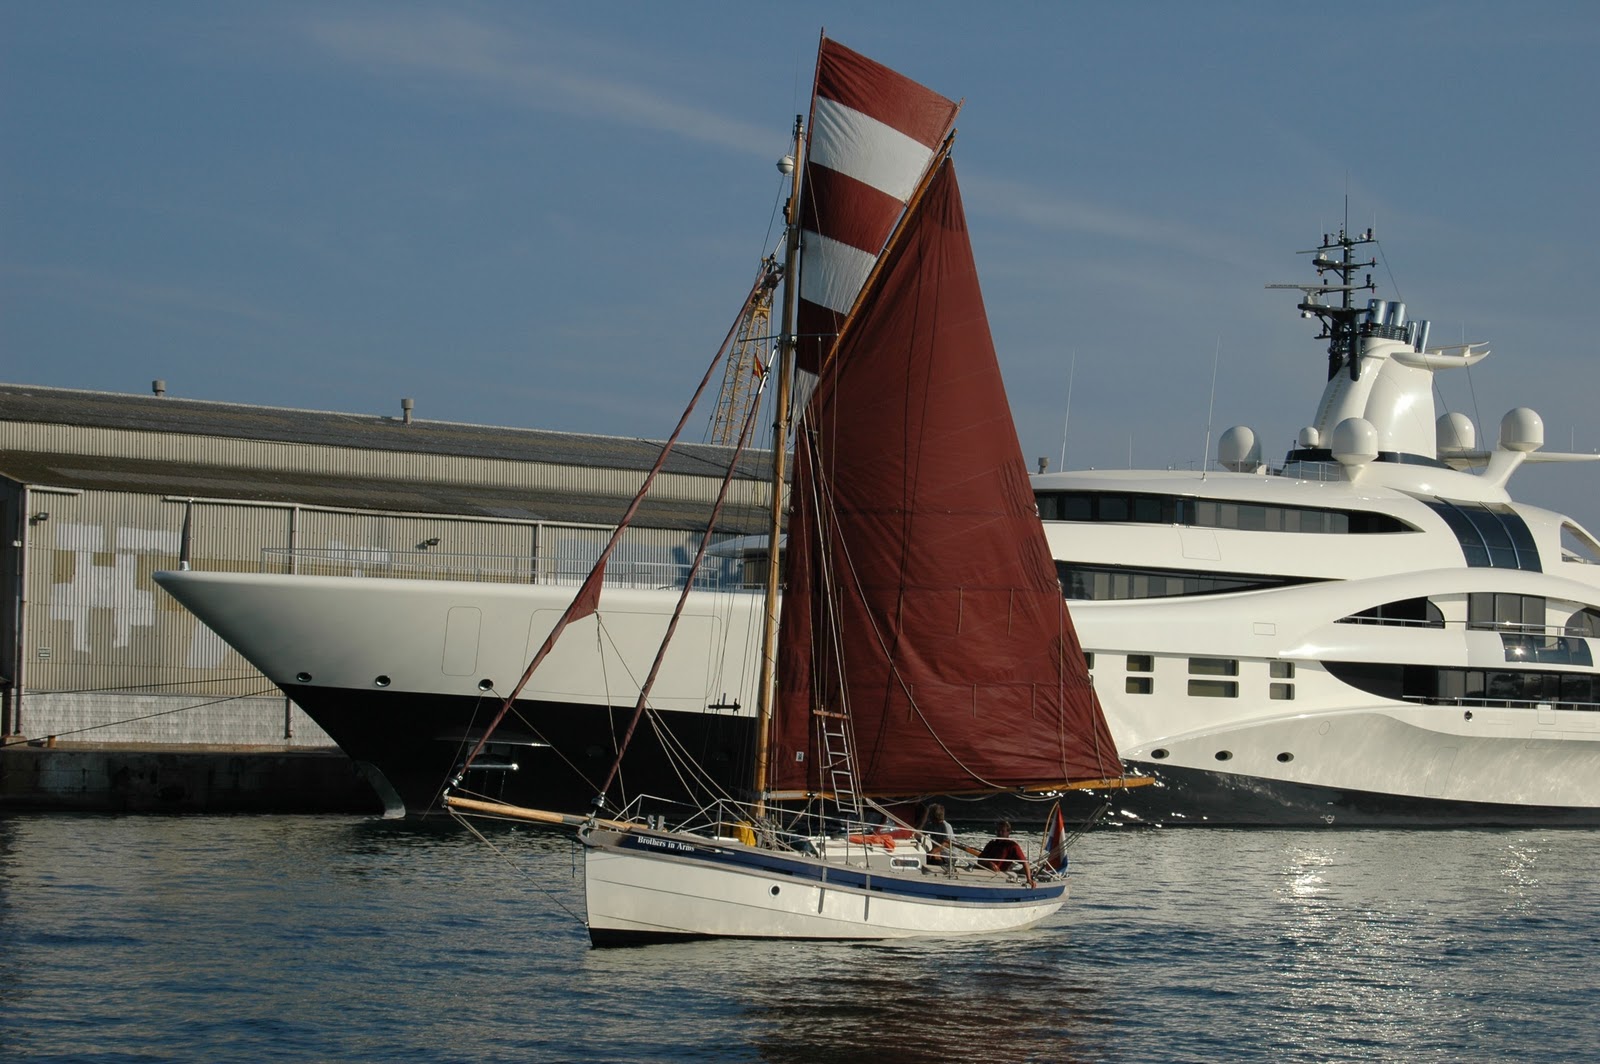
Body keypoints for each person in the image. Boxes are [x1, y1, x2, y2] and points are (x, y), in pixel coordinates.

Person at [977, 820, 1035, 887]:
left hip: (998, 875)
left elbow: (1025, 862)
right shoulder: (991, 844)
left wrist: (1029, 879)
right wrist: (988, 863)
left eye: (1002, 831)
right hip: (983, 871)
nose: (1000, 833)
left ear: (1008, 832)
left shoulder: (1012, 846)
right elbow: (979, 860)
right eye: (998, 831)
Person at [919, 803, 975, 868]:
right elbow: (922, 832)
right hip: (938, 852)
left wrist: (934, 851)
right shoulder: (931, 825)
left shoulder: (946, 826)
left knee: (932, 858)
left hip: (948, 855)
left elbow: (947, 843)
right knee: (925, 857)